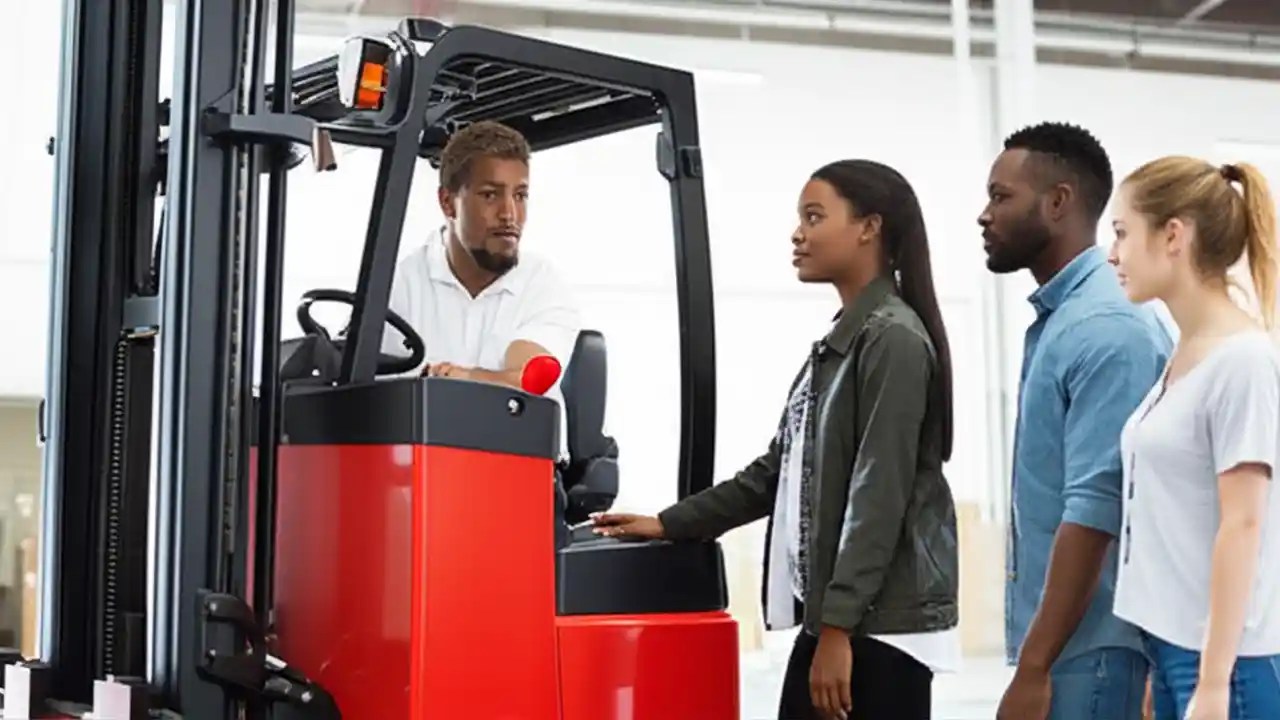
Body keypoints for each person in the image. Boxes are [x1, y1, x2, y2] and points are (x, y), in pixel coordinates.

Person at [592, 159, 960, 720]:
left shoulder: (892, 341)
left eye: (815, 217)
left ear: (869, 227)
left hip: (876, 630)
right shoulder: (843, 343)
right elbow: (775, 473)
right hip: (843, 620)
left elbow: (878, 496)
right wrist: (672, 522)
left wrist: (837, 629)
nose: (798, 233)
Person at [978, 121, 1173, 720]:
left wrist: (1035, 667)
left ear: (1058, 202)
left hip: (1095, 654)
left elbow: (1095, 509)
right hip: (1075, 650)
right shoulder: (1065, 321)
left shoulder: (1106, 328)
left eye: (1001, 197)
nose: (984, 215)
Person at [1108, 156, 1280, 720]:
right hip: (1178, 650)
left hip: (1233, 664)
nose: (1113, 254)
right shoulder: (1187, 352)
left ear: (1173, 235)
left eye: (1122, 232)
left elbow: (1244, 523)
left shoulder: (1245, 361)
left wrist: (1212, 681)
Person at [380, 120, 581, 410]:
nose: (509, 214)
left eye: (520, 196)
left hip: (516, 450)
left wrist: (464, 378)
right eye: (490, 195)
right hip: (420, 450)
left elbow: (530, 379)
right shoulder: (398, 284)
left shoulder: (540, 284)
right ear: (448, 203)